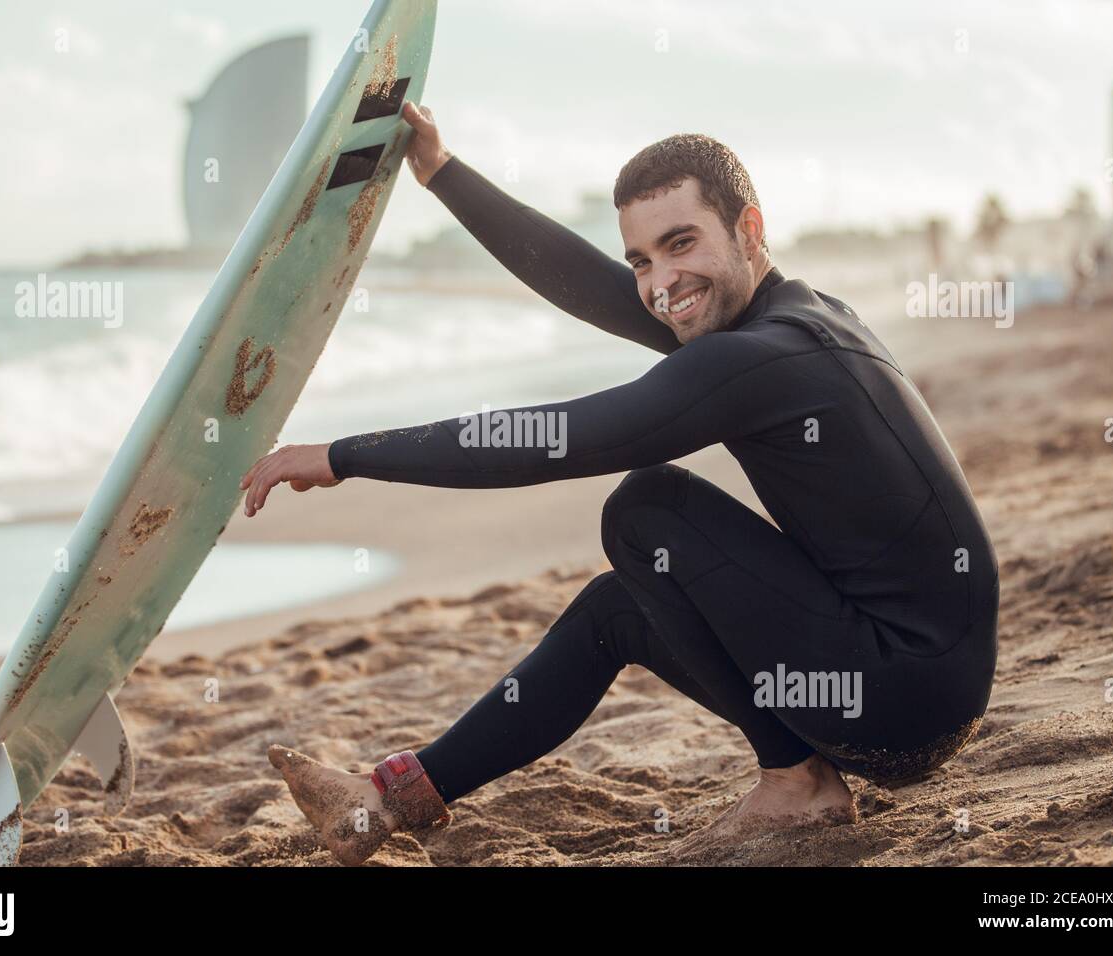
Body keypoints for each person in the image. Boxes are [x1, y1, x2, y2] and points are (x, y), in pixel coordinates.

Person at [248, 102, 1000, 866]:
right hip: (925, 685)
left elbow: (550, 441)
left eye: (680, 244)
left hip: (900, 697)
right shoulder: (785, 321)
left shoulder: (758, 358)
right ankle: (391, 801)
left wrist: (344, 454)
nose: (660, 283)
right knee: (619, 608)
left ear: (749, 229)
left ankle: (798, 782)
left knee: (647, 509)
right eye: (643, 260)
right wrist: (443, 174)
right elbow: (585, 283)